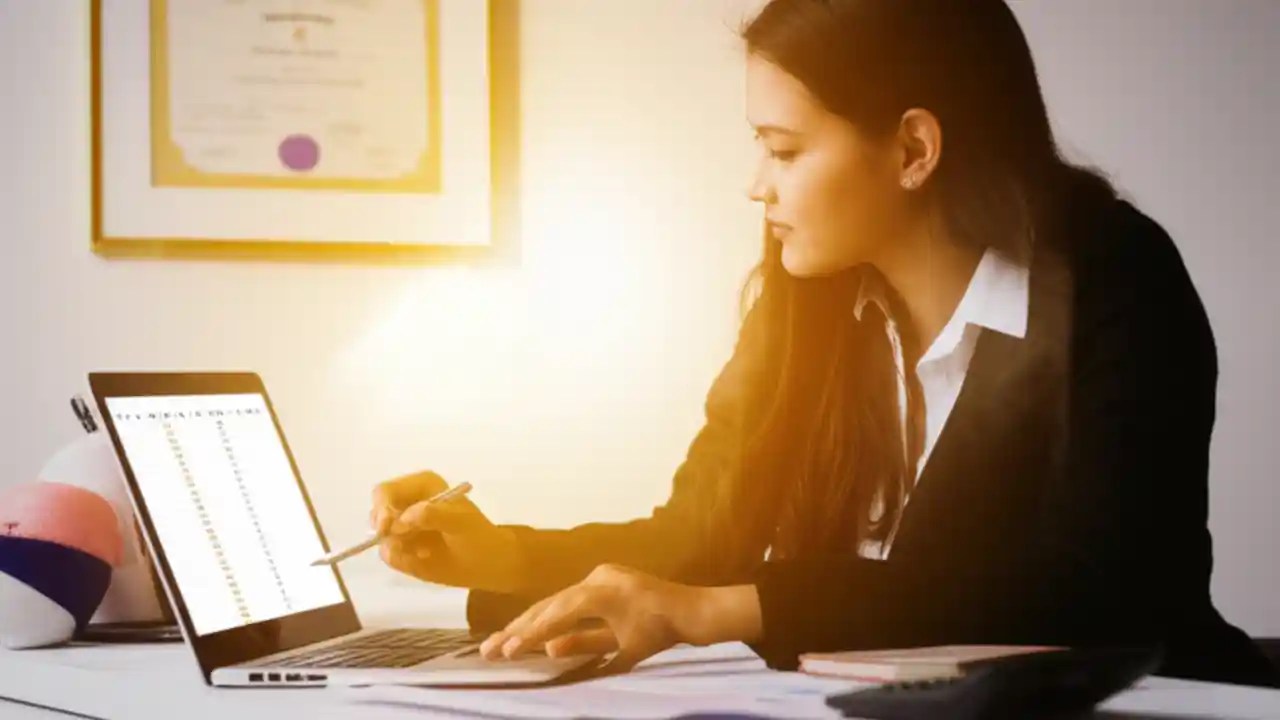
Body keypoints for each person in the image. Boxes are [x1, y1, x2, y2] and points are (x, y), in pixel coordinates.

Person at [370, 0, 1279, 687]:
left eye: (784, 150)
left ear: (914, 149)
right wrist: (500, 556)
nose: (756, 186)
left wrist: (725, 611)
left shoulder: (1116, 277)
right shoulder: (806, 298)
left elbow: (1091, 590)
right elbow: (701, 536)